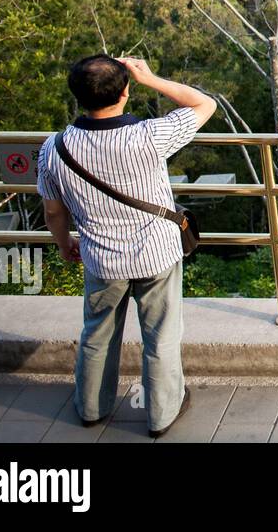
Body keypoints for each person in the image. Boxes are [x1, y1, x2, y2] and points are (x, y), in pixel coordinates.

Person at [37, 55, 216, 438]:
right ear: (124, 91)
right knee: (161, 336)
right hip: (156, 255)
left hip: (100, 259)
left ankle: (90, 408)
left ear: (77, 96)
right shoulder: (149, 136)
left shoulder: (54, 148)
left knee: (97, 333)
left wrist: (63, 242)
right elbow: (204, 104)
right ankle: (162, 415)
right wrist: (150, 77)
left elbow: (53, 212)